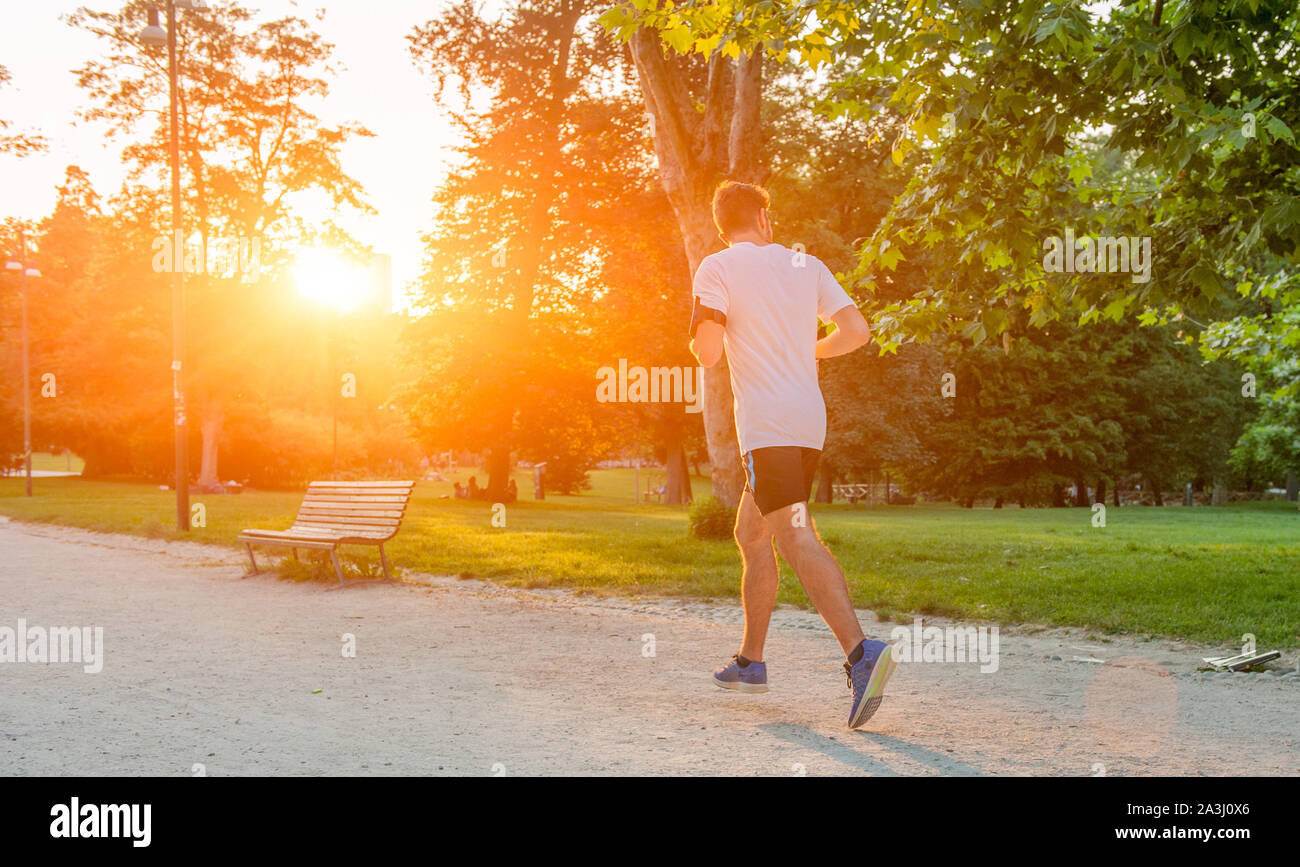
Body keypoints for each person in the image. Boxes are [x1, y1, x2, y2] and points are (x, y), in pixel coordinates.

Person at [689, 180, 895, 729]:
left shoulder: (717, 268)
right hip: (808, 420)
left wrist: (703, 335)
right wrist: (808, 349)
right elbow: (855, 332)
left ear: (722, 224)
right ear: (763, 217)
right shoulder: (808, 264)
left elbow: (708, 353)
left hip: (769, 426)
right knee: (751, 534)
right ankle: (751, 660)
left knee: (795, 534)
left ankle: (860, 653)